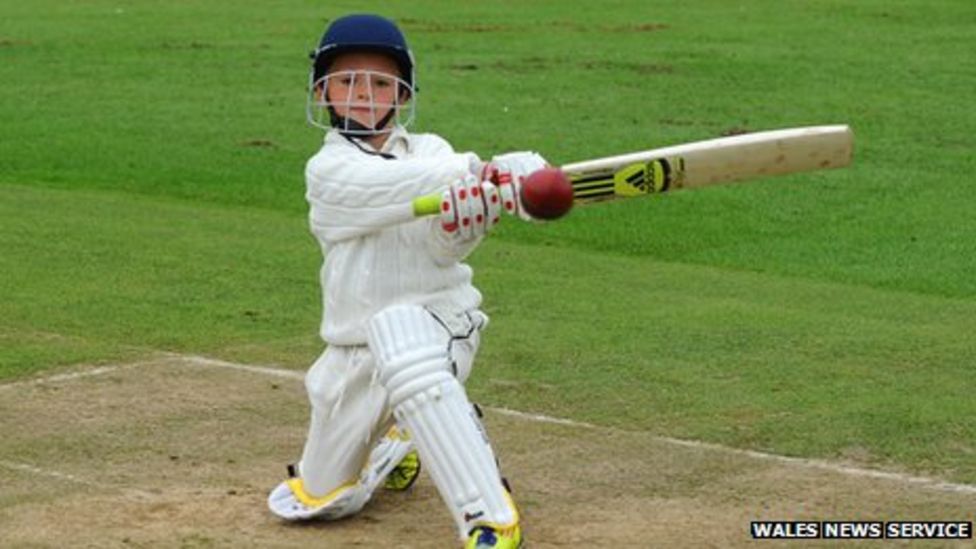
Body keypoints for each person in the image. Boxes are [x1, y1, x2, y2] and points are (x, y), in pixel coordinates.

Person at [267, 13, 547, 549]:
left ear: (402, 93)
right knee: (322, 499)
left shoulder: (433, 151)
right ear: (323, 91)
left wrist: (472, 212)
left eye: (380, 83)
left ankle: (489, 516)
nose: (365, 95)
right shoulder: (327, 171)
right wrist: (480, 172)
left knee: (403, 338)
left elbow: (444, 248)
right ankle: (401, 439)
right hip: (351, 349)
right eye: (348, 81)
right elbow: (390, 188)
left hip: (439, 325)